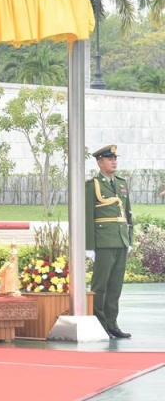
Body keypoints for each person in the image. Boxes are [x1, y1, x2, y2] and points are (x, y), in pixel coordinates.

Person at [86, 144, 134, 339]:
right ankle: (100, 323)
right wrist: (89, 246)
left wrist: (129, 239)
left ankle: (112, 323)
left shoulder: (121, 184)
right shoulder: (93, 185)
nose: (114, 162)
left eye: (115, 158)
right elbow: (87, 216)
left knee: (115, 286)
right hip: (103, 241)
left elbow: (128, 213)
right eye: (109, 159)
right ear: (100, 162)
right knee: (101, 285)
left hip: (120, 240)